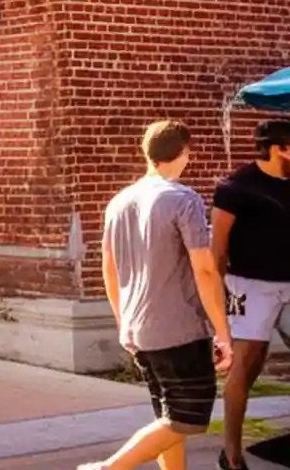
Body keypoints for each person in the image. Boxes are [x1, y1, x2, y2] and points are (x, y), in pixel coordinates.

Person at [85, 121, 232, 470]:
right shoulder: (183, 199)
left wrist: (124, 322)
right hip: (179, 329)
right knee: (188, 418)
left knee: (168, 418)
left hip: (139, 330)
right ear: (182, 153)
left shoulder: (119, 202)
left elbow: (109, 267)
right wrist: (222, 331)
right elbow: (205, 269)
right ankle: (108, 469)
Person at [212, 119, 290, 470]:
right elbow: (217, 251)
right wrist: (217, 306)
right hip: (248, 286)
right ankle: (231, 454)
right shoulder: (235, 187)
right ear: (280, 148)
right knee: (247, 364)